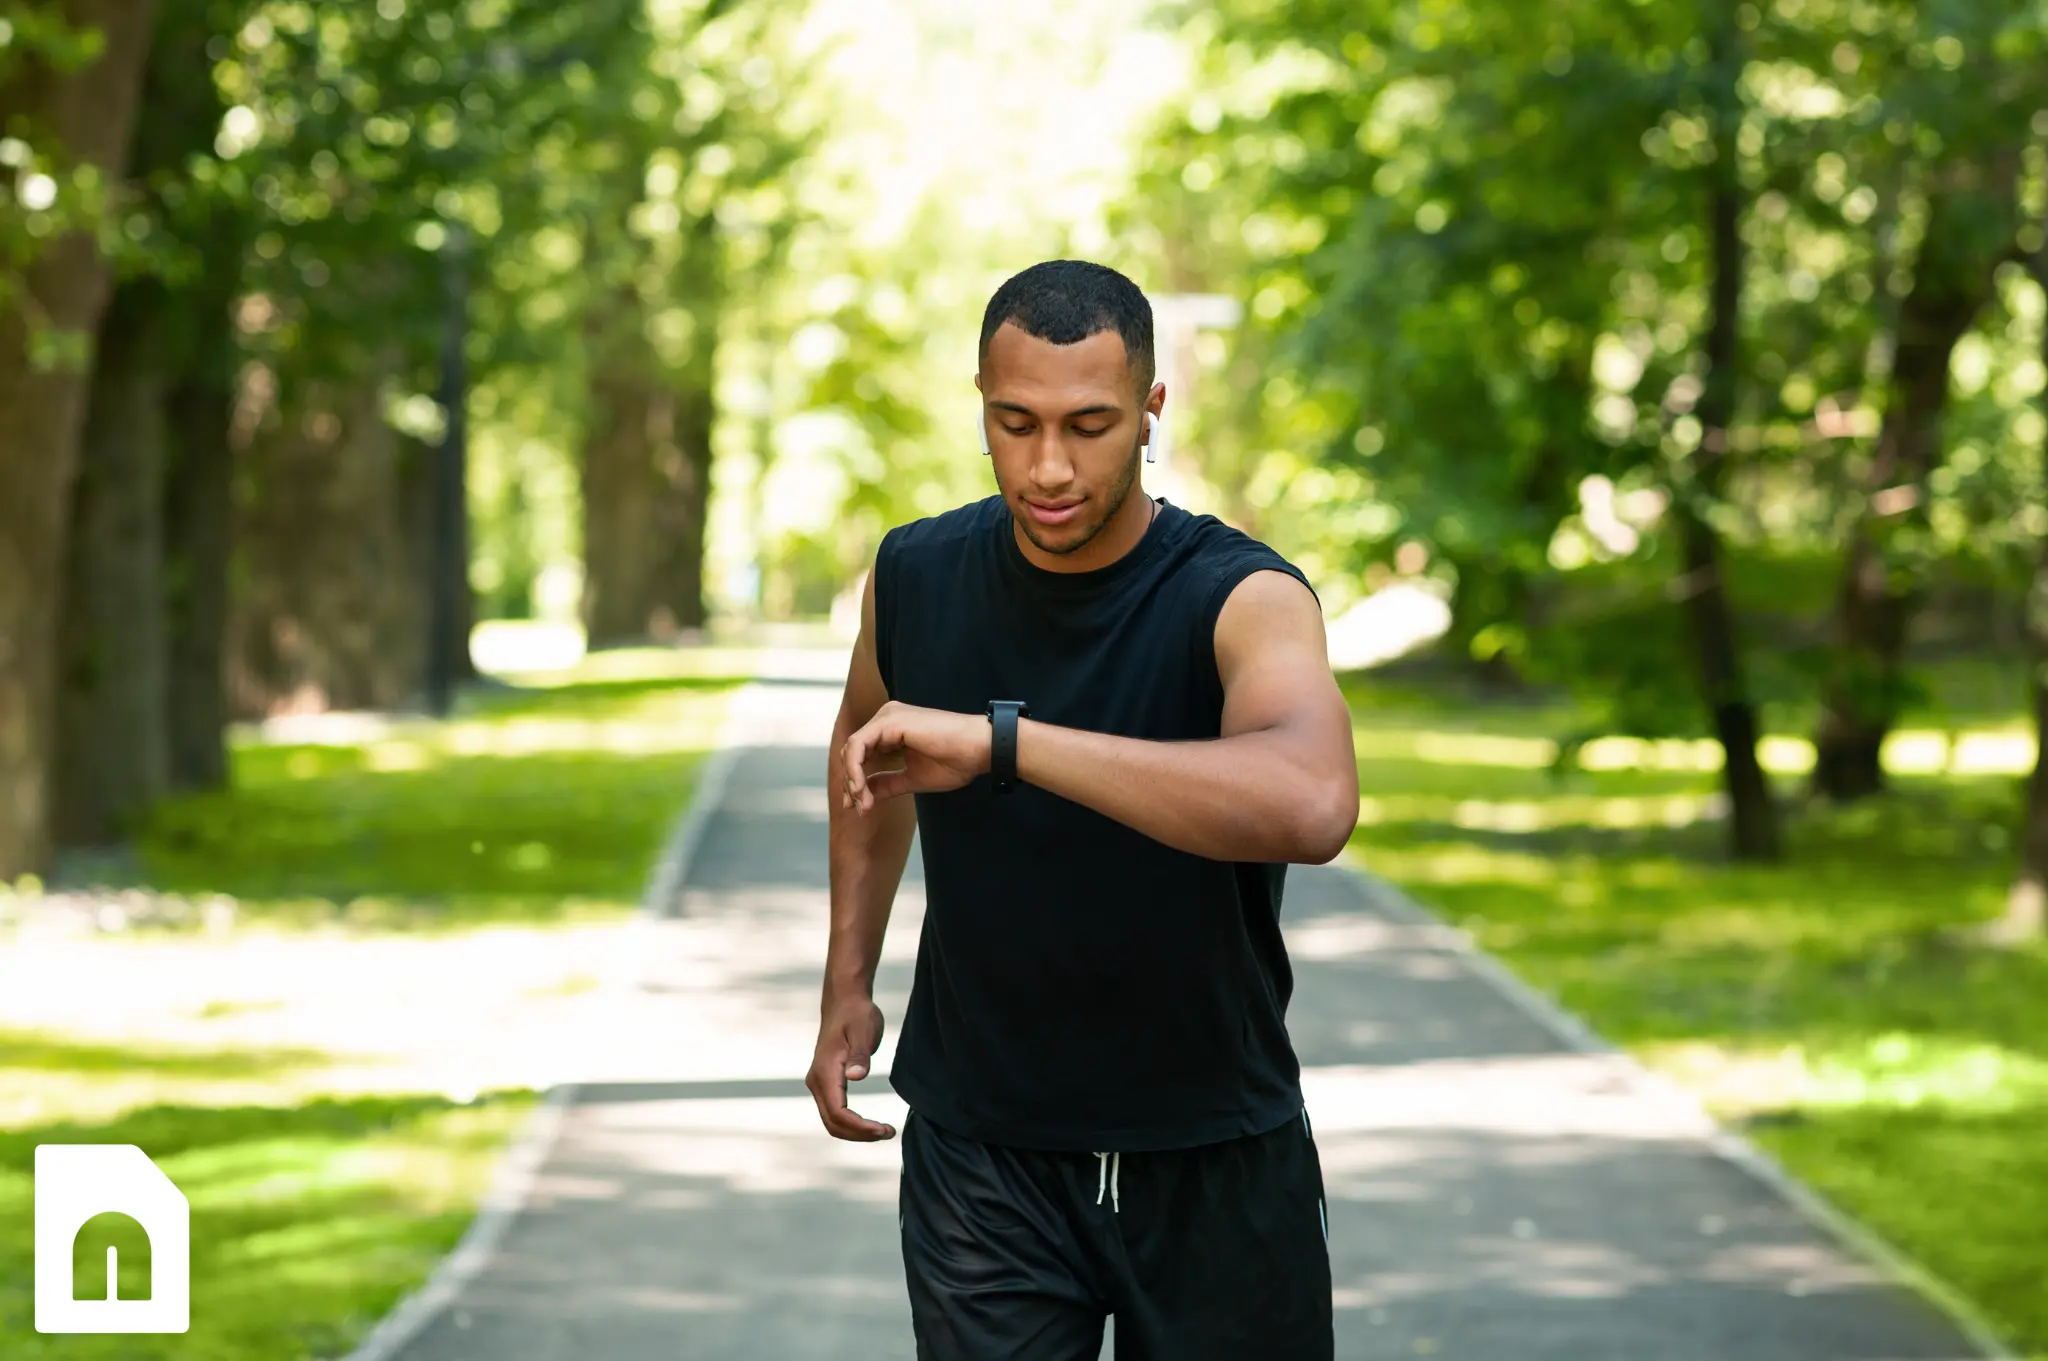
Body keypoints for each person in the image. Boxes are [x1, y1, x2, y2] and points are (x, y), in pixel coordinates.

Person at [805, 259, 1360, 1360]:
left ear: (1151, 411)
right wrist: (845, 982)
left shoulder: (1239, 596)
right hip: (982, 1153)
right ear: (978, 403)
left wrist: (1005, 743)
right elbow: (866, 760)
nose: (1047, 465)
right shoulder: (913, 575)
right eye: (1013, 423)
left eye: (1088, 425)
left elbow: (1311, 801)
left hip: (1212, 1148)